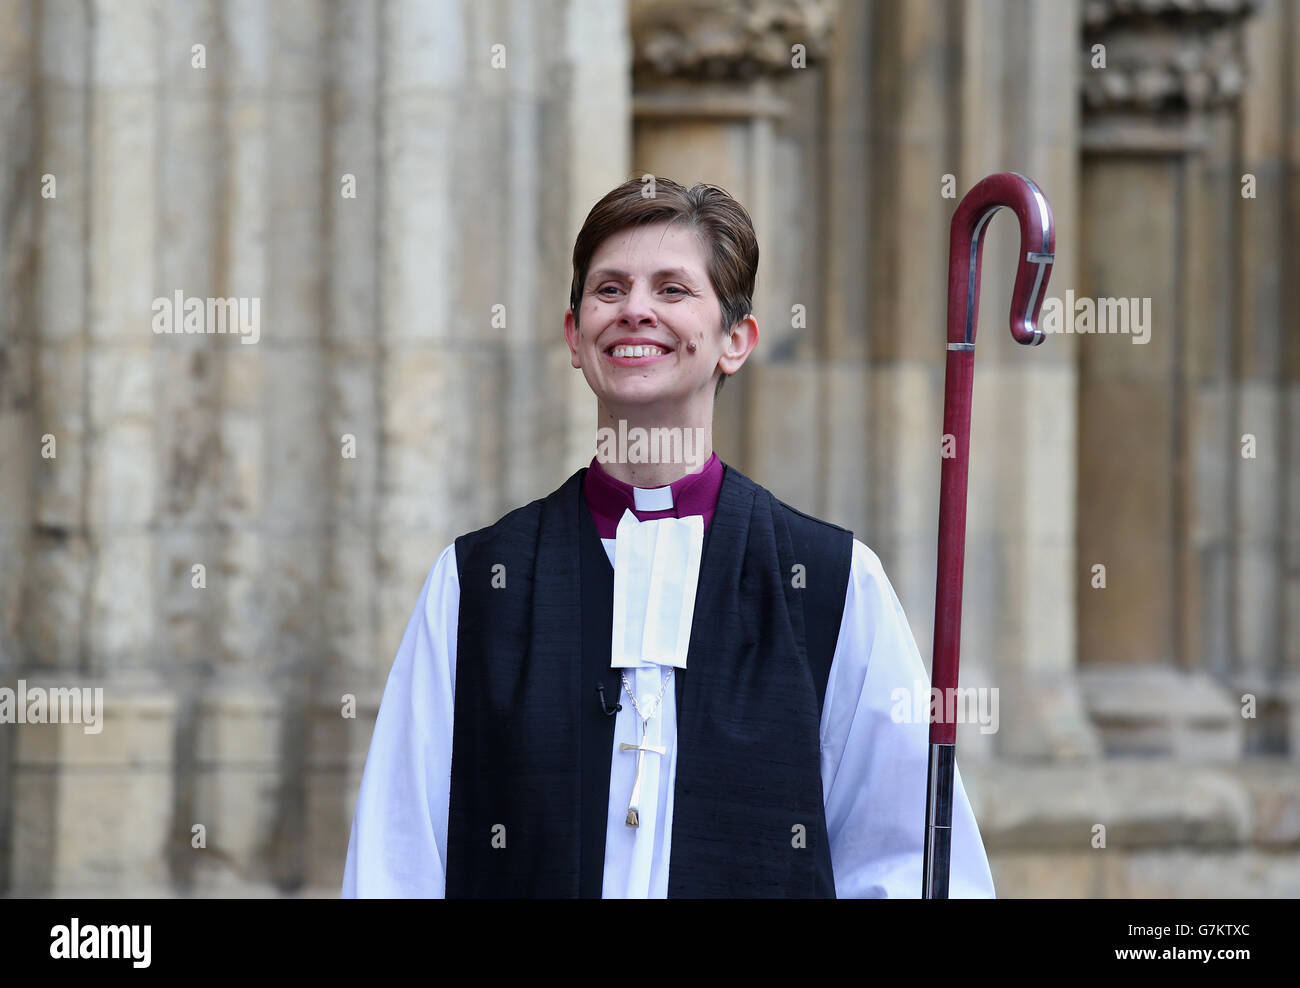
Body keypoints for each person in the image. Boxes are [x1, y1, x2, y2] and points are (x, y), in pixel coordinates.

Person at [342, 177, 995, 898]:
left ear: (735, 340)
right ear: (574, 335)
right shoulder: (479, 583)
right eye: (610, 290)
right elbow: (398, 853)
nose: (636, 311)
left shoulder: (829, 581)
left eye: (673, 290)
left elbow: (903, 859)